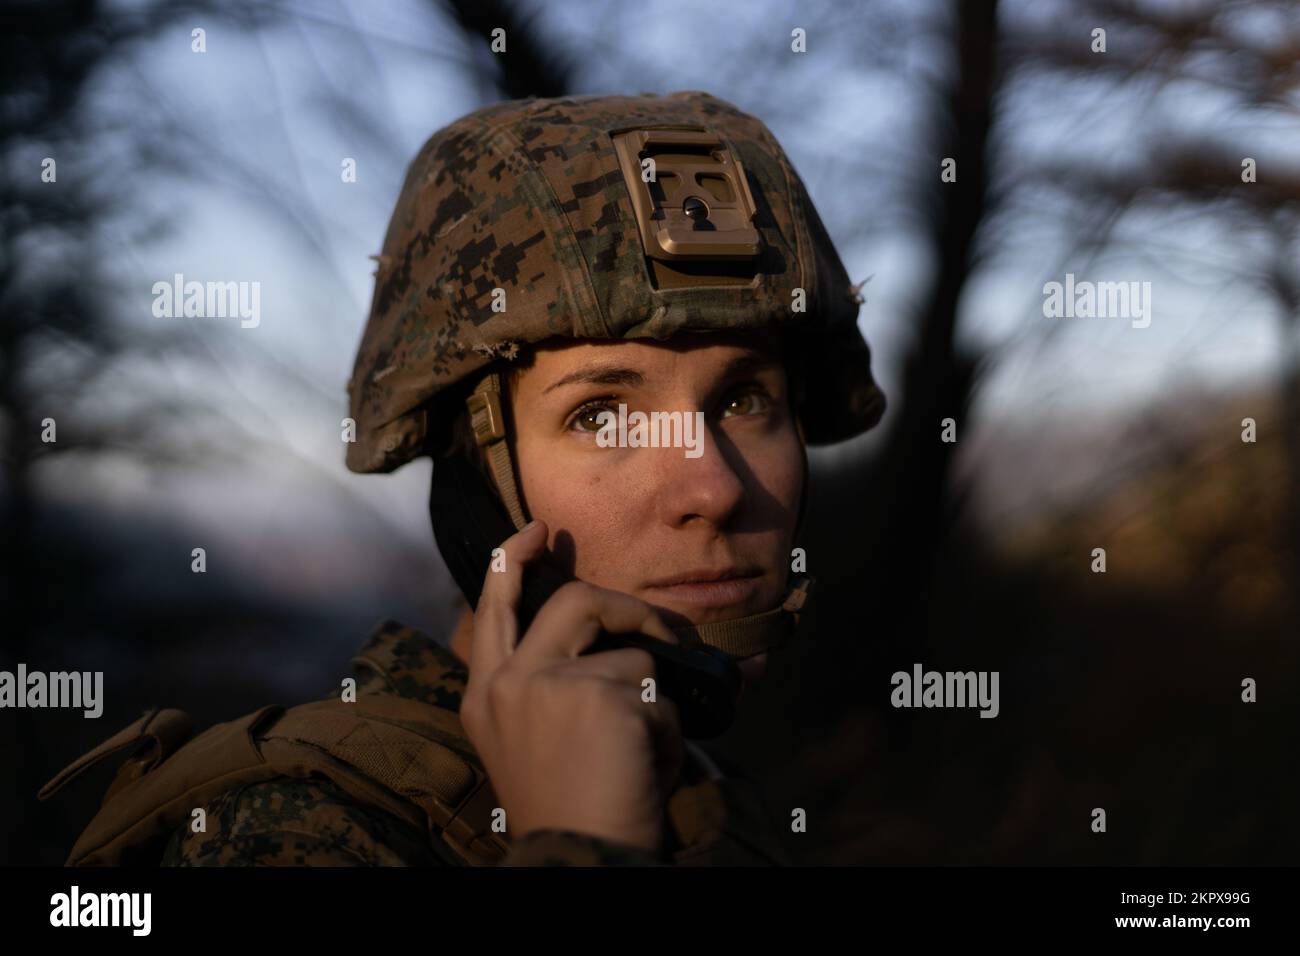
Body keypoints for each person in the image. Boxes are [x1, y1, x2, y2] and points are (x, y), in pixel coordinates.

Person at [40, 91, 885, 866]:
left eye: (742, 399)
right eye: (602, 417)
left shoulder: (712, 800)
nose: (716, 490)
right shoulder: (291, 831)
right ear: (470, 491)